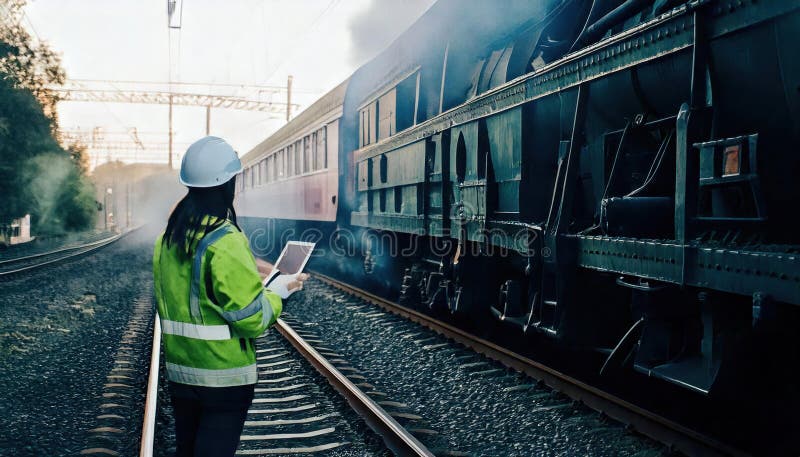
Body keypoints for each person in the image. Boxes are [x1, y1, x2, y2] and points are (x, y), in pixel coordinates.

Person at [152, 136, 306, 457]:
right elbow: (251, 319)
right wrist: (279, 293)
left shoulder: (167, 240)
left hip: (181, 374)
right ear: (227, 185)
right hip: (224, 381)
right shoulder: (226, 240)